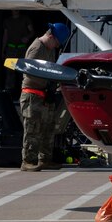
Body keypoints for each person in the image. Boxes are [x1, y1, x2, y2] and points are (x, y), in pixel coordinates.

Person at [20, 23, 70, 171]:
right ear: (50, 36)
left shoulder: (49, 48)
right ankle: (28, 160)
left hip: (45, 94)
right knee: (32, 129)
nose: (55, 46)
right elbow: (29, 72)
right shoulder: (36, 48)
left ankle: (45, 159)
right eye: (55, 42)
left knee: (48, 129)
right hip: (33, 94)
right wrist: (47, 81)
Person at [1, 10, 34, 94]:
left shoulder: (25, 19)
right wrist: (3, 50)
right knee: (10, 72)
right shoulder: (7, 21)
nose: (15, 10)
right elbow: (5, 35)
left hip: (22, 49)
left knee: (23, 72)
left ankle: (24, 92)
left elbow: (32, 32)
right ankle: (9, 93)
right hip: (11, 50)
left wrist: (27, 37)